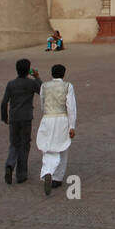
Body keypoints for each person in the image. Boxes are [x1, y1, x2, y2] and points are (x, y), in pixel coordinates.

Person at [36, 64, 76, 196]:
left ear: (51, 73)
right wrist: (72, 126)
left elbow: (42, 104)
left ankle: (47, 171)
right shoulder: (68, 86)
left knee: (48, 146)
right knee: (62, 147)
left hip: (47, 118)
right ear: (64, 74)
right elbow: (71, 107)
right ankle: (57, 177)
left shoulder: (44, 86)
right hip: (62, 119)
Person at [0, 58, 42, 185]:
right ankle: (21, 174)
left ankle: (10, 164)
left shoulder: (11, 84)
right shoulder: (31, 83)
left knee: (14, 143)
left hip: (14, 117)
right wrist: (37, 77)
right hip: (26, 117)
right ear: (28, 70)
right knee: (24, 144)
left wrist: (4, 116)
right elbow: (42, 90)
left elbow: (4, 102)